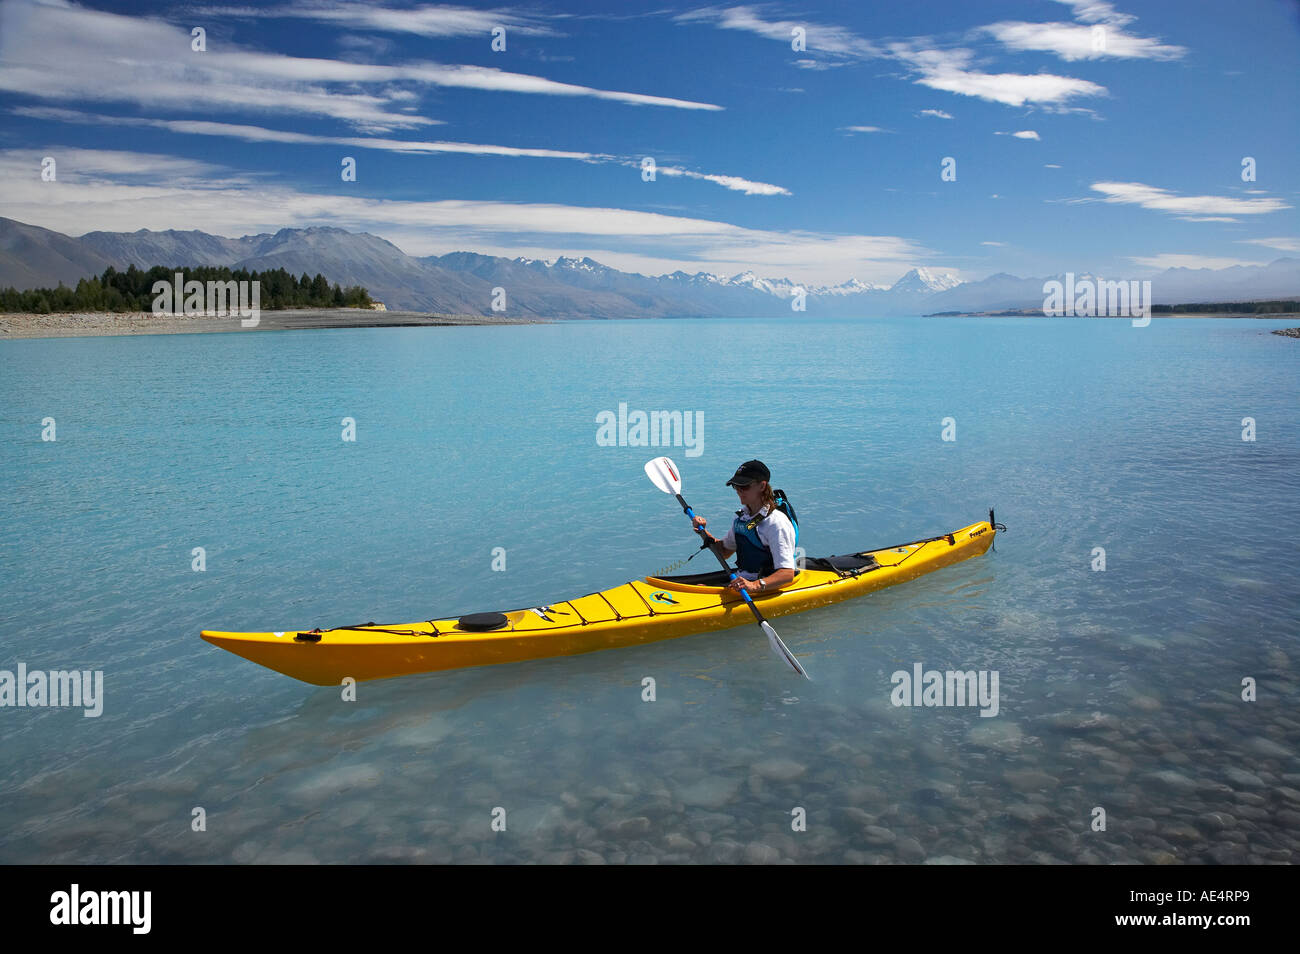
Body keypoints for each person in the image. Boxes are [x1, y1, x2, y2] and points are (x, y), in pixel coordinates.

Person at [691, 459, 797, 595]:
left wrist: (755, 585)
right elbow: (724, 552)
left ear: (762, 486)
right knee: (700, 587)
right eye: (736, 486)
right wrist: (703, 532)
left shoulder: (776, 523)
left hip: (765, 587)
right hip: (743, 582)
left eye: (744, 486)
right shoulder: (742, 518)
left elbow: (787, 574)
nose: (739, 491)